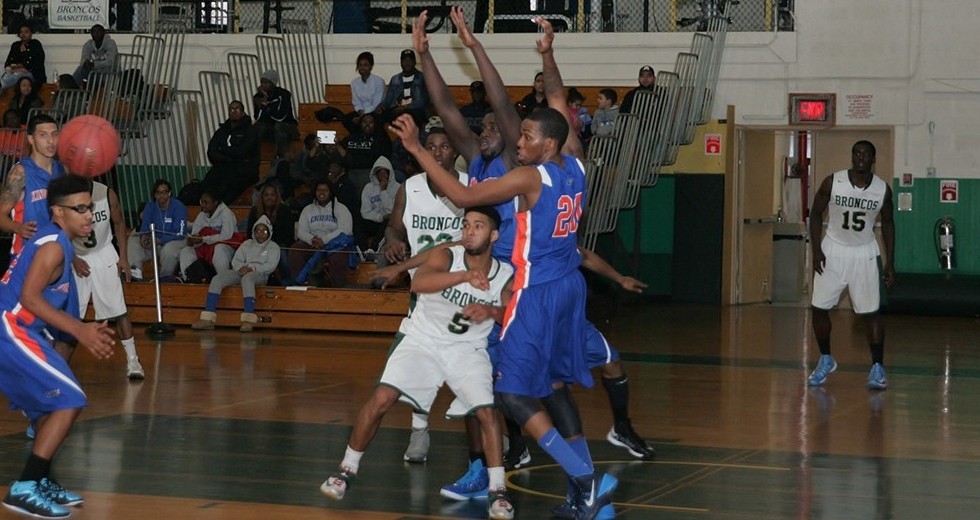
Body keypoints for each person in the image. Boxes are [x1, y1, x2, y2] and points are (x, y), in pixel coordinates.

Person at [414, 10, 654, 485]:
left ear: (533, 141)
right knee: (514, 382)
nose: (495, 131)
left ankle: (572, 473)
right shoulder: (570, 162)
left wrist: (420, 152)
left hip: (524, 285)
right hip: (550, 283)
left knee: (503, 387)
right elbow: (554, 104)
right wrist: (547, 55)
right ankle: (499, 466)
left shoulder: (520, 168)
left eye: (518, 132)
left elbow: (469, 182)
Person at [320, 206, 515, 520]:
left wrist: (491, 312)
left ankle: (497, 492)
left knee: (487, 412)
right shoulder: (447, 255)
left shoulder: (505, 273)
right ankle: (346, 470)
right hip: (422, 340)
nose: (469, 231)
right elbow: (419, 284)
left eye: (478, 226)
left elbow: (510, 313)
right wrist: (464, 275)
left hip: (466, 348)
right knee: (382, 397)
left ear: (494, 235)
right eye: (466, 225)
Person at [0, 174, 115, 519]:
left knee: (49, 409)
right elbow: (29, 298)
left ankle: (42, 479)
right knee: (70, 400)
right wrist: (80, 330)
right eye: (78, 209)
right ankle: (25, 487)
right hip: (9, 328)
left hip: (21, 329)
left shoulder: (59, 242)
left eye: (89, 207)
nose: (87, 215)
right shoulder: (52, 246)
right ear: (57, 212)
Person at [806, 140, 895, 390]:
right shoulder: (833, 182)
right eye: (856, 153)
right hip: (833, 250)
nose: (860, 157)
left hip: (864, 252)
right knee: (819, 308)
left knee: (871, 313)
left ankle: (877, 367)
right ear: (852, 156)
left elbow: (888, 223)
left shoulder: (882, 189)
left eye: (865, 154)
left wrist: (891, 262)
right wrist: (817, 250)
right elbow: (815, 214)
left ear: (873, 159)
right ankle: (826, 358)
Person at [72, 179, 145, 380]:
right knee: (70, 316)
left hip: (104, 253)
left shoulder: (106, 193)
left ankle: (133, 360)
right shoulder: (67, 192)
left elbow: (120, 222)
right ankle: (58, 366)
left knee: (119, 310)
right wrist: (72, 257)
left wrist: (123, 257)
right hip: (77, 256)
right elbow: (58, 230)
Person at [191, 216, 280, 332]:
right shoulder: (247, 243)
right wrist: (241, 268)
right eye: (258, 231)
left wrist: (252, 268)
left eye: (264, 231)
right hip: (241, 271)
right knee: (217, 279)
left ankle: (248, 319)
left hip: (260, 274)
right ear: (254, 231)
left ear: (269, 232)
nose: (260, 234)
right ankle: (208, 318)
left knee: (247, 279)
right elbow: (236, 260)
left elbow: (270, 266)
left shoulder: (274, 247)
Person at [0, 114, 65, 259]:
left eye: (55, 134)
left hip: (57, 252)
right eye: (43, 135)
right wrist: (17, 228)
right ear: (31, 139)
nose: (50, 141)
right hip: (26, 254)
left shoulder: (61, 170)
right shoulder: (20, 172)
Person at [287, 178, 353, 287]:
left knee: (341, 254)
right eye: (319, 190)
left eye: (325, 190)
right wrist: (312, 240)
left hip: (334, 244)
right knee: (295, 250)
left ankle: (337, 287)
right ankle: (299, 285)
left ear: (330, 192)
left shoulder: (341, 209)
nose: (322, 193)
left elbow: (346, 230)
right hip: (312, 243)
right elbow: (301, 231)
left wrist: (325, 240)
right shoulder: (307, 209)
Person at [126, 179, 188, 281]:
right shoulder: (150, 207)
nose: (162, 195)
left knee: (168, 250)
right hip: (155, 243)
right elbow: (145, 227)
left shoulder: (178, 207)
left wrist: (161, 240)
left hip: (175, 241)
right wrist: (144, 238)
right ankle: (135, 273)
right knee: (133, 240)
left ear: (169, 193)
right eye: (158, 193)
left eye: (165, 192)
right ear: (154, 195)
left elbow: (180, 234)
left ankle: (164, 278)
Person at [202, 100, 260, 205]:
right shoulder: (222, 131)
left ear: (243, 112)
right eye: (231, 109)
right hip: (223, 167)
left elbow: (242, 152)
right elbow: (211, 151)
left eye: (237, 109)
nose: (234, 112)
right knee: (207, 182)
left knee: (228, 185)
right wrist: (228, 158)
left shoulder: (250, 131)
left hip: (244, 170)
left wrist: (222, 149)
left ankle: (220, 208)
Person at [178, 191, 238, 279]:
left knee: (219, 249)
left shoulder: (226, 214)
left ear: (215, 202)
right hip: (205, 247)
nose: (203, 205)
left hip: (226, 245)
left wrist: (204, 239)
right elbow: (195, 234)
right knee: (186, 251)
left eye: (206, 202)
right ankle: (189, 278)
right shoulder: (201, 215)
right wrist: (192, 240)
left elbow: (226, 236)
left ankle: (223, 278)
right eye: (201, 202)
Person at [246, 183, 296, 282]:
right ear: (262, 197)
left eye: (272, 195)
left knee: (283, 258)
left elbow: (288, 236)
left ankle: (288, 282)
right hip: (258, 245)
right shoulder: (255, 211)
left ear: (277, 197)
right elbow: (250, 234)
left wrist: (269, 244)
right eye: (266, 195)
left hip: (279, 246)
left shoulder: (285, 210)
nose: (269, 198)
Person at [253, 69, 299, 158]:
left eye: (267, 83)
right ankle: (254, 155)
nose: (264, 85)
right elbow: (258, 117)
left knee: (279, 126)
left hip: (287, 126)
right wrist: (263, 102)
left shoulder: (284, 94)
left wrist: (266, 108)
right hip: (269, 127)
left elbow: (280, 117)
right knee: (257, 127)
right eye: (262, 82)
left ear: (273, 84)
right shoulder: (258, 97)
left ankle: (281, 157)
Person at [379, 49, 429, 126]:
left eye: (410, 60)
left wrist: (405, 107)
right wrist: (391, 106)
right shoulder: (395, 79)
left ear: (415, 62)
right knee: (379, 117)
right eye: (404, 60)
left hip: (417, 111)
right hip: (397, 111)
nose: (407, 63)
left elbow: (423, 102)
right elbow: (388, 102)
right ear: (401, 62)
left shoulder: (422, 78)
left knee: (412, 115)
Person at [358, 156, 398, 250]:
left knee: (388, 222)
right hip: (374, 220)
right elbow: (365, 212)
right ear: (375, 174)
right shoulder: (368, 188)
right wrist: (381, 217)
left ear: (390, 173)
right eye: (380, 173)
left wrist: (383, 191)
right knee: (358, 223)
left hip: (390, 222)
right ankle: (363, 251)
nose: (383, 175)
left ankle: (374, 249)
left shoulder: (398, 188)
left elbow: (392, 210)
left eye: (385, 172)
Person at [344, 51, 386, 133]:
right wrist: (360, 112)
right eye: (360, 65)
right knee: (347, 120)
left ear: (371, 66)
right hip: (361, 111)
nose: (363, 68)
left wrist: (362, 116)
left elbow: (376, 104)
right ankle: (358, 140)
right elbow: (356, 102)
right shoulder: (354, 83)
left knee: (374, 121)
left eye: (366, 65)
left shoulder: (379, 81)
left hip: (376, 111)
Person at [1, 23, 45, 91]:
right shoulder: (15, 45)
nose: (23, 34)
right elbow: (8, 63)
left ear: (31, 33)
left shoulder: (35, 44)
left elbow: (38, 62)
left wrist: (24, 67)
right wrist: (13, 68)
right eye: (21, 32)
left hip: (32, 74)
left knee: (15, 77)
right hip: (14, 73)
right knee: (7, 77)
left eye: (26, 32)